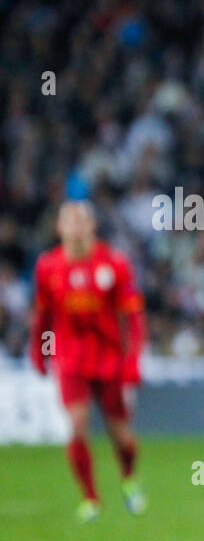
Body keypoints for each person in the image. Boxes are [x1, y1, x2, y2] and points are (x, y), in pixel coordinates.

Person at [30, 200, 147, 520]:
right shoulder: (48, 267)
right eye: (70, 221)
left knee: (120, 433)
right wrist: (40, 352)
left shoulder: (114, 263)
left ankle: (128, 479)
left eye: (82, 221)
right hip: (69, 359)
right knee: (78, 425)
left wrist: (134, 358)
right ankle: (91, 498)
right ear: (59, 228)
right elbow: (43, 317)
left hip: (109, 358)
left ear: (92, 226)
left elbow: (133, 316)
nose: (77, 227)